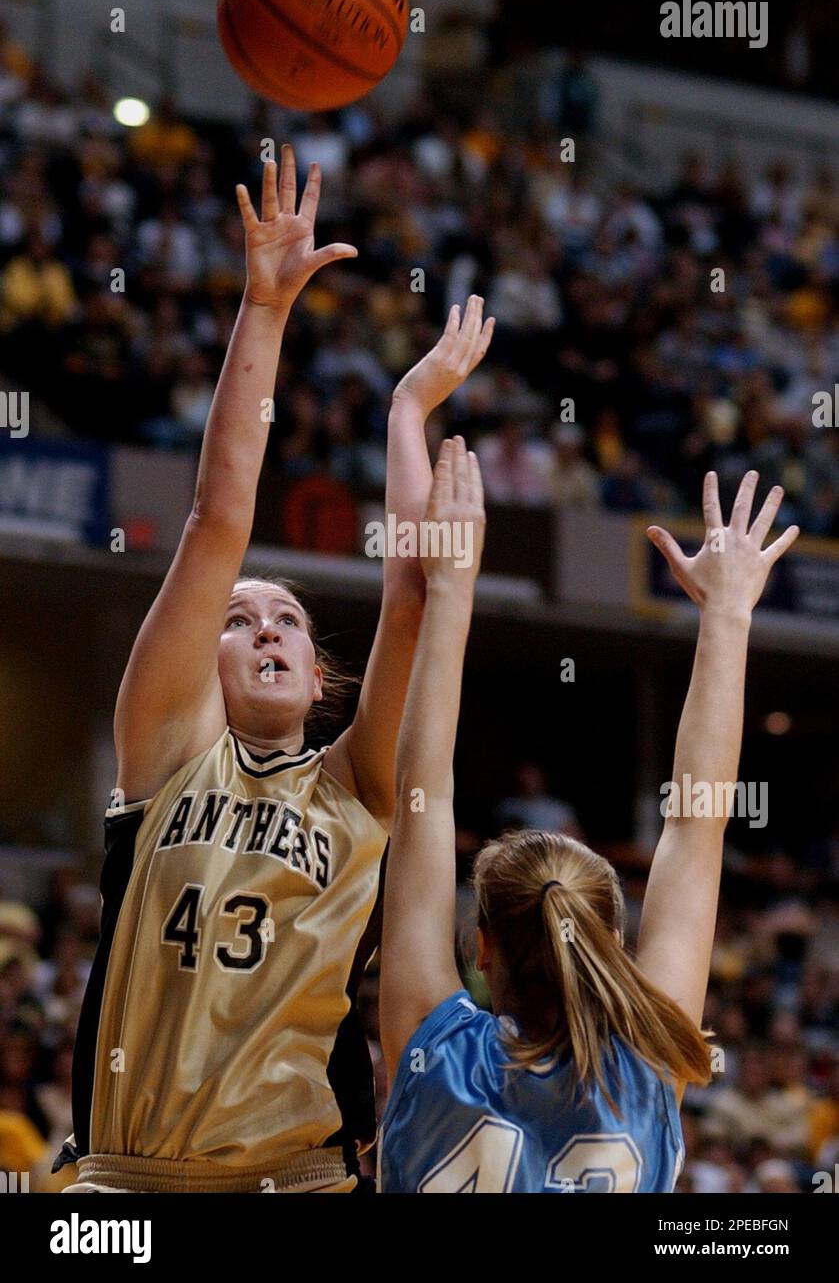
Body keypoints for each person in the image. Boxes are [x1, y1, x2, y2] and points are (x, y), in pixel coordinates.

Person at [55, 147, 495, 1194]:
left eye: (287, 619)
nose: (262, 628)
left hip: (299, 1180)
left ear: (315, 676)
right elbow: (215, 522)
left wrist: (404, 413)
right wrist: (264, 307)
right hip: (121, 1185)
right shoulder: (163, 754)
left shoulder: (357, 789)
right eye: (240, 616)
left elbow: (413, 597)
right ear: (198, 659)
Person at [378, 466, 798, 1192]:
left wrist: (448, 589)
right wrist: (728, 613)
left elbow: (422, 797)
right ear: (611, 944)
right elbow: (696, 824)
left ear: (480, 948)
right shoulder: (646, 1065)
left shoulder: (431, 1046)